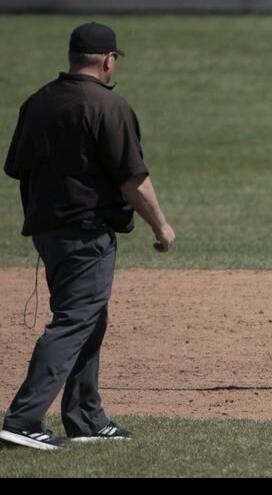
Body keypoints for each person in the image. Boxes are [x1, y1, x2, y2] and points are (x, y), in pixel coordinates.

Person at [1, 22, 175, 450]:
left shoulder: (38, 102)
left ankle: (85, 417)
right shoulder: (107, 107)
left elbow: (16, 167)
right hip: (86, 233)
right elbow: (133, 178)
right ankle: (22, 420)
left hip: (48, 231)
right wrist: (161, 225)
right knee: (75, 320)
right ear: (108, 59)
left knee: (89, 318)